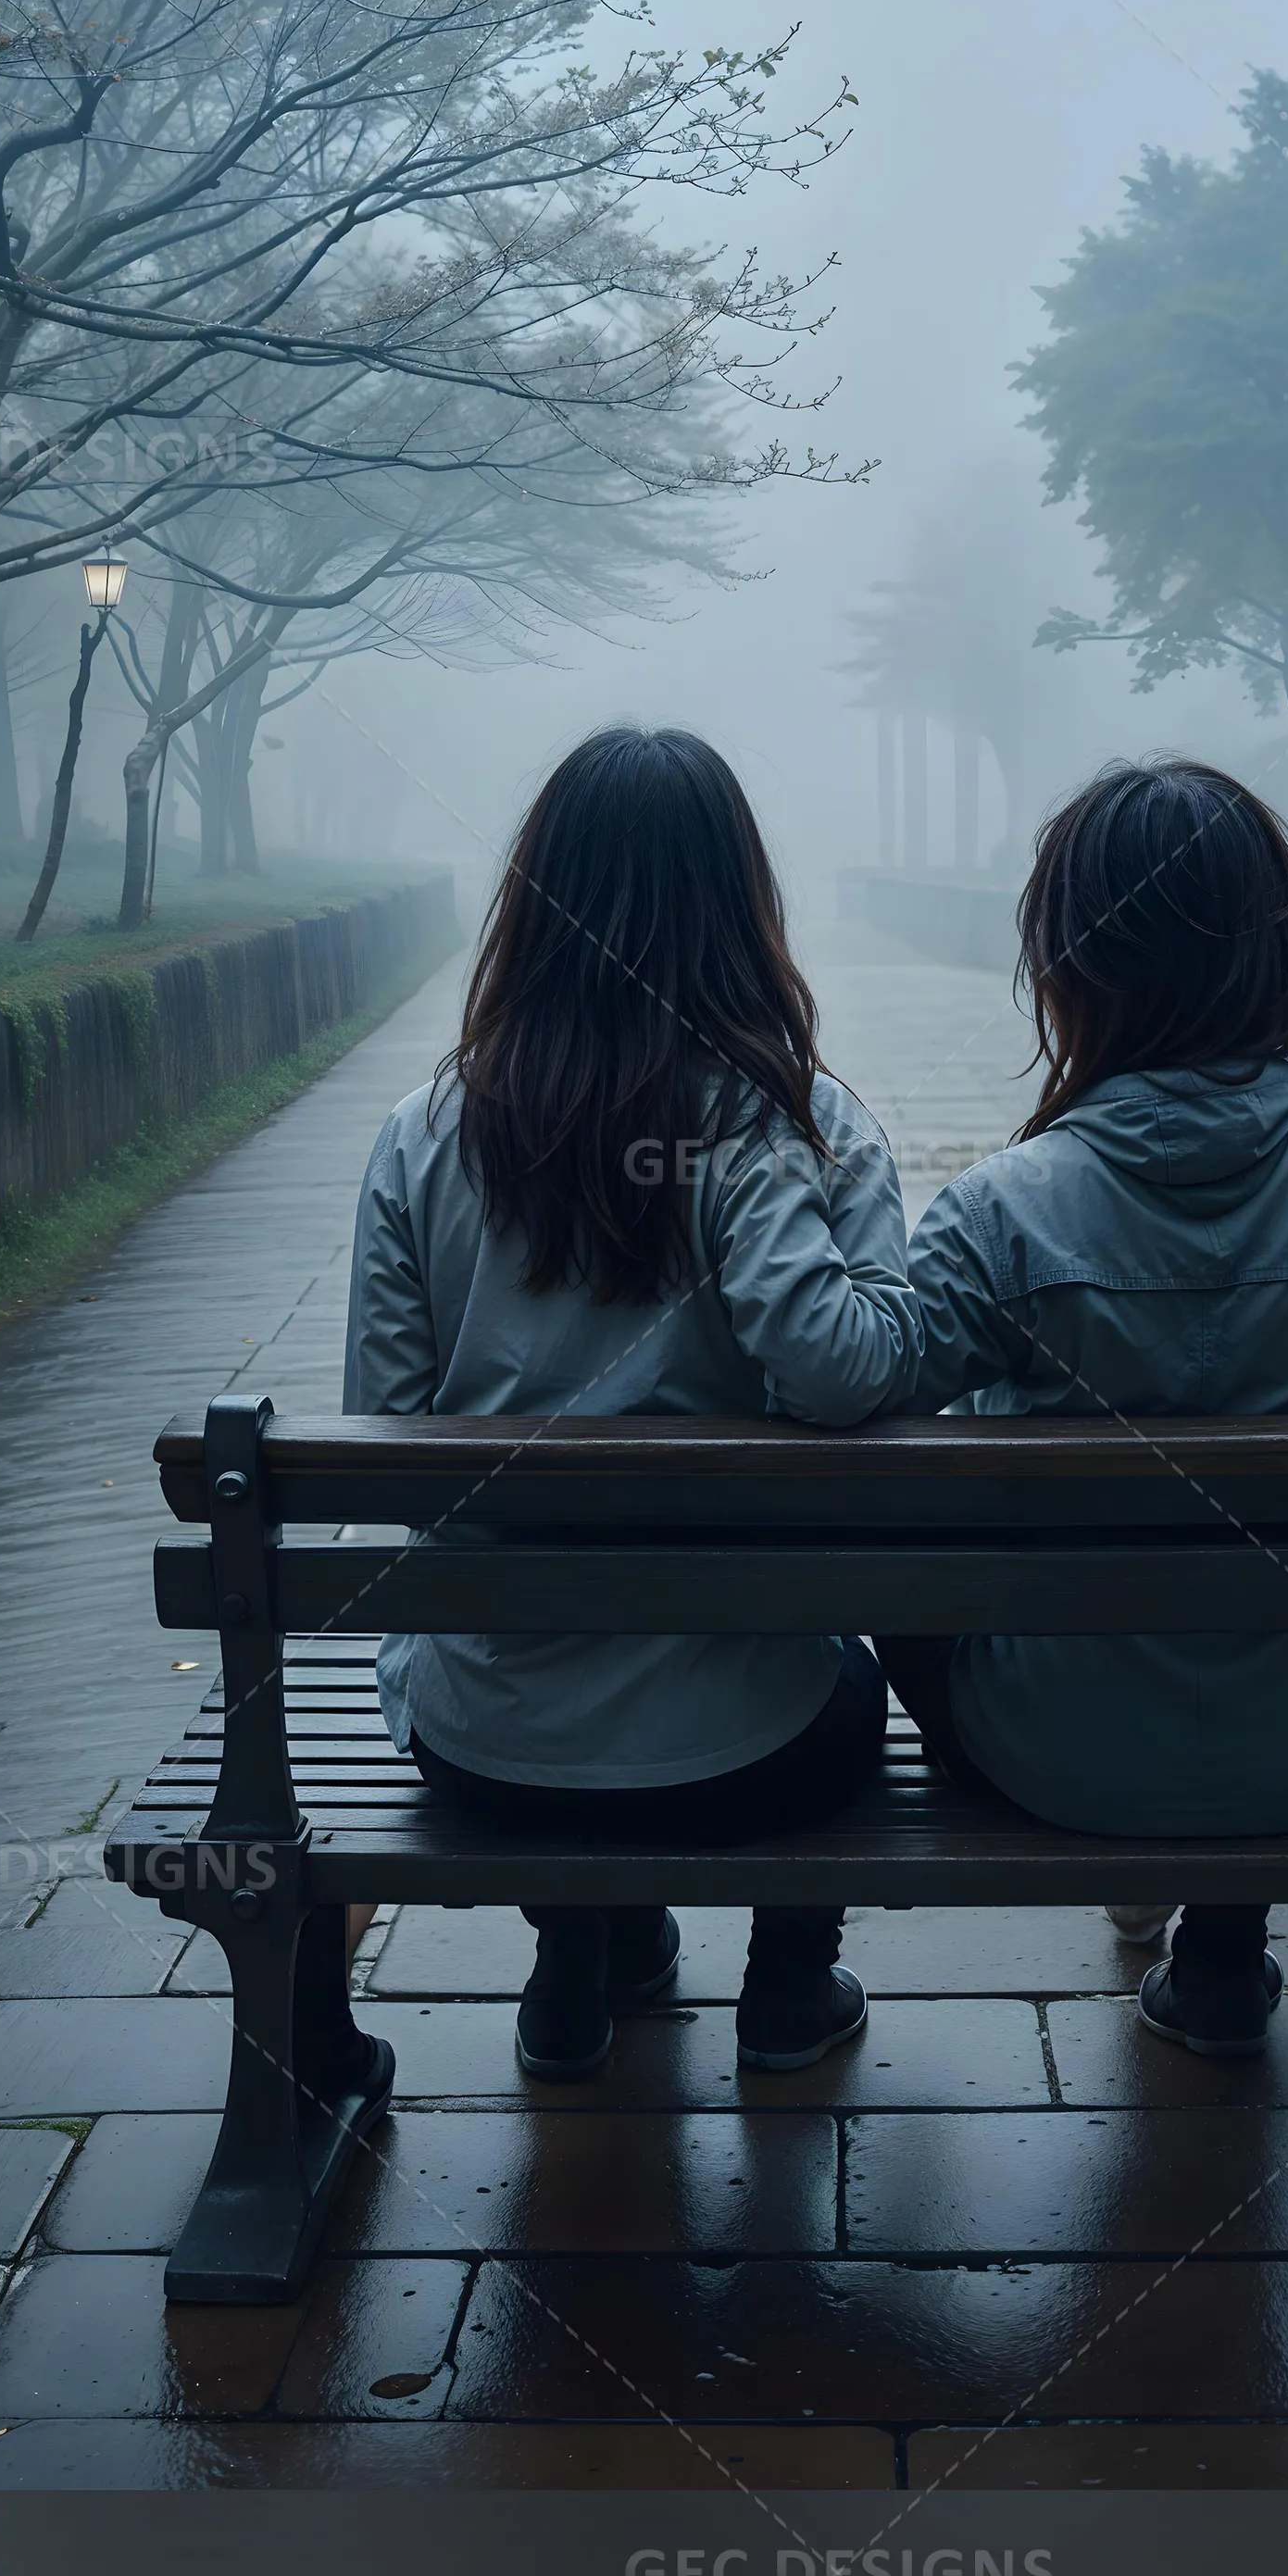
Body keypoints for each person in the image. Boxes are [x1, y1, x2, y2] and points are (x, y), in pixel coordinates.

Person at [344, 727, 917, 2082]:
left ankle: (582, 1950)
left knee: (544, 1670)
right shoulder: (798, 1123)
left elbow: (381, 1431)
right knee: (844, 1674)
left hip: (486, 1755)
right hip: (749, 1752)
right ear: (740, 904)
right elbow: (843, 1372)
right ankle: (787, 1984)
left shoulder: (426, 1134)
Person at [884, 758, 1288, 2057]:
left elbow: (880, 1433)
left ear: (1072, 966)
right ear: (1277, 954)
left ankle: (1156, 1852)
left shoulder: (996, 1209)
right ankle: (1225, 1952)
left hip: (1052, 1752)